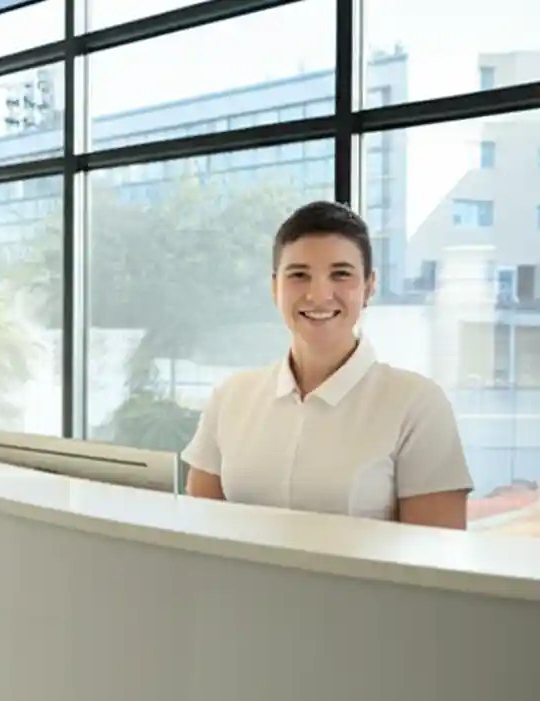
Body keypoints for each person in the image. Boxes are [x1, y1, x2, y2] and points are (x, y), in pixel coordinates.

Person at [181, 200, 474, 529]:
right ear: (274, 287)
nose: (319, 295)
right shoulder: (231, 397)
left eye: (341, 274)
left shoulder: (417, 404)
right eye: (299, 275)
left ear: (369, 286)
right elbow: (202, 532)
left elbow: (436, 562)